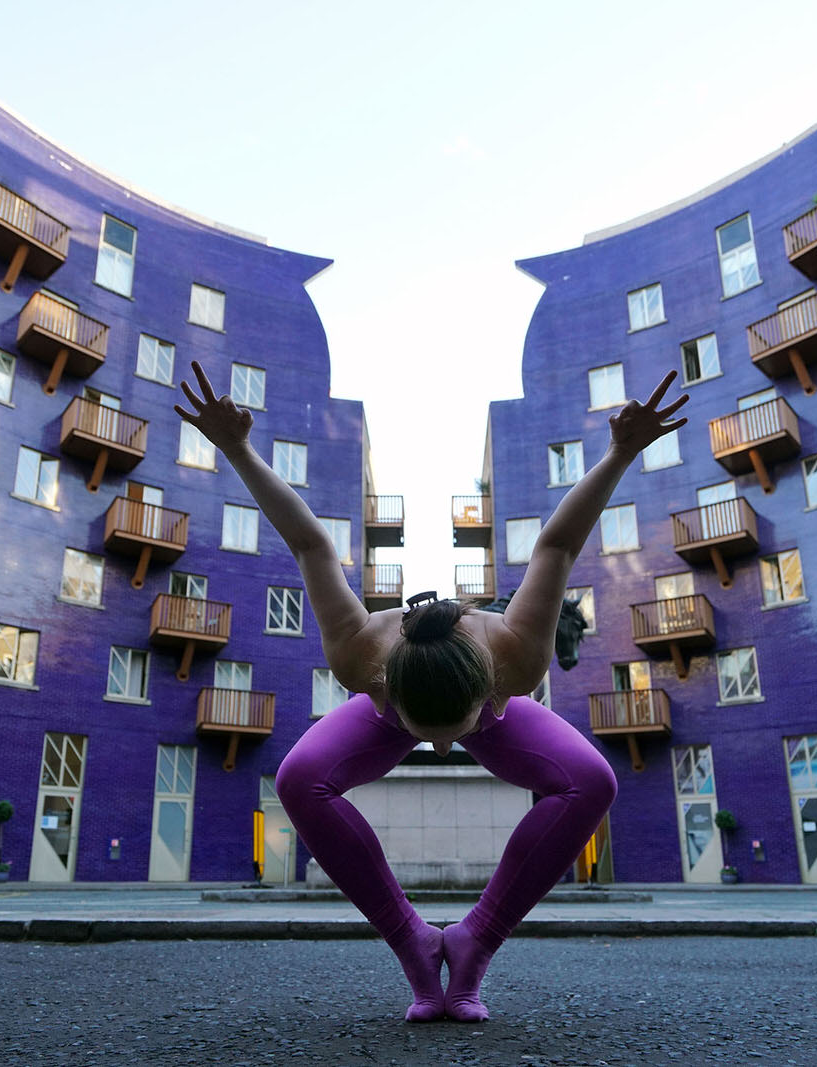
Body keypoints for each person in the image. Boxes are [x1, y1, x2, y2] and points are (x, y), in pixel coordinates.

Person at [175, 362, 687, 1022]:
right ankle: (413, 942)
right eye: (427, 729)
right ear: (383, 686)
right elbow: (309, 544)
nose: (442, 746)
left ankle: (476, 938)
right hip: (426, 696)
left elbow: (556, 545)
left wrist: (620, 451)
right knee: (299, 777)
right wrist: (238, 448)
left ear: (491, 690)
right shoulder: (360, 652)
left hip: (474, 699)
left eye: (453, 730)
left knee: (593, 780)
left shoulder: (516, 656)